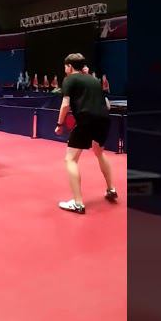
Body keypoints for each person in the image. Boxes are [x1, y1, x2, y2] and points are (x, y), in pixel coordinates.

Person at [55, 53, 118, 213]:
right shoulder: (94, 80)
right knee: (99, 152)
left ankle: (78, 203)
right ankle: (111, 189)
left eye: (65, 66)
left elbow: (65, 104)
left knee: (70, 159)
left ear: (69, 66)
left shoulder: (69, 79)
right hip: (104, 119)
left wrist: (59, 124)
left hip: (86, 120)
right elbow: (107, 104)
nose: (65, 69)